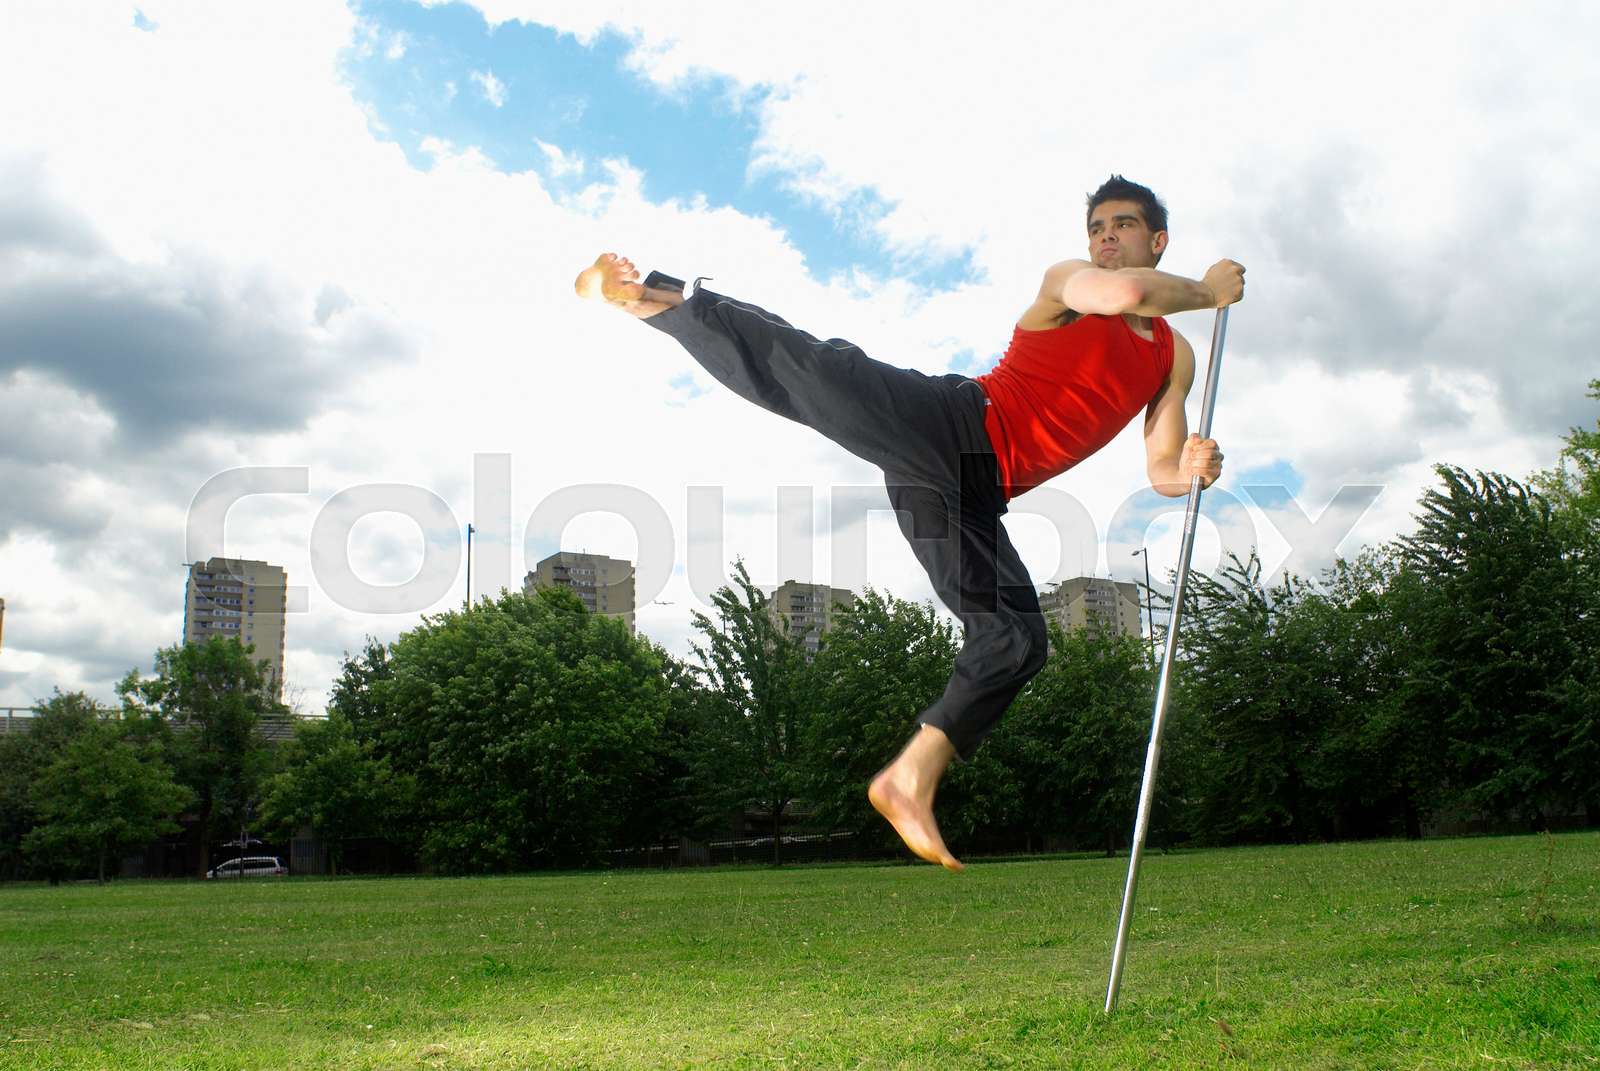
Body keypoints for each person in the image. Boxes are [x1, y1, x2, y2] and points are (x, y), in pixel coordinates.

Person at [574, 175, 1242, 871]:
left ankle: (908, 777)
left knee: (1017, 638)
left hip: (972, 497)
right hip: (949, 424)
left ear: (1155, 239)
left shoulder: (1174, 355)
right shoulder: (1070, 283)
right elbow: (1128, 293)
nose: (1107, 238)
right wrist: (1206, 290)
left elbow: (1163, 468)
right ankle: (652, 296)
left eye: (1124, 226)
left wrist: (1193, 467)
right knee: (817, 368)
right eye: (1098, 227)